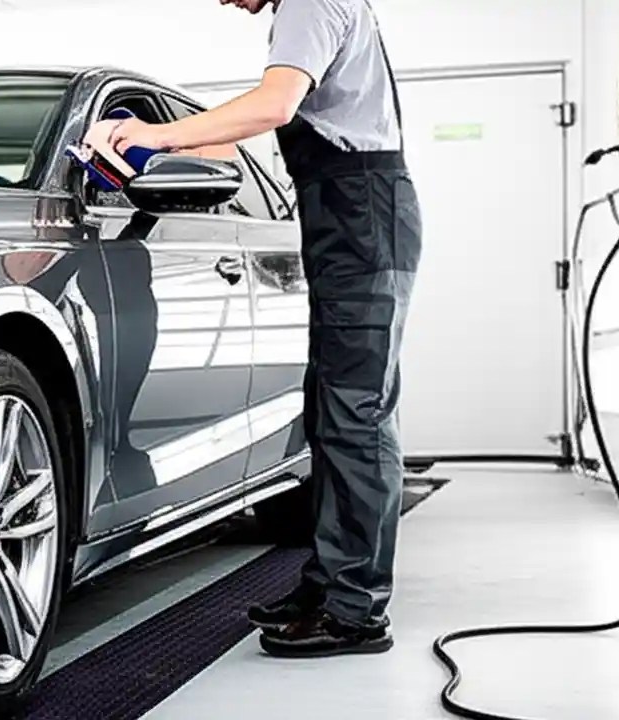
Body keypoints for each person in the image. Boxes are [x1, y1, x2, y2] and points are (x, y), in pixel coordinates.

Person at [105, 0, 422, 658]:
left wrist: (158, 135)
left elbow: (275, 104)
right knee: (331, 410)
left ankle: (356, 611)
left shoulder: (310, 0)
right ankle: (328, 584)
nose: (225, 1)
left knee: (356, 413)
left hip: (360, 213)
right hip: (348, 213)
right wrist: (183, 140)